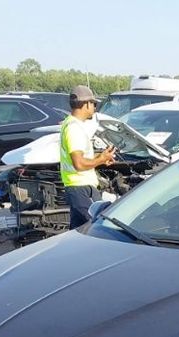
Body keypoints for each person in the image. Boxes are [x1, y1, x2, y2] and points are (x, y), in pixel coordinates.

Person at [60, 85, 115, 229]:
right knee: (98, 227)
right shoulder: (74, 128)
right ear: (86, 104)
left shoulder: (70, 124)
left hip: (76, 186)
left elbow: (81, 157)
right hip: (81, 187)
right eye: (94, 104)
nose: (95, 108)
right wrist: (101, 159)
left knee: (78, 232)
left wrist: (100, 157)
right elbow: (79, 163)